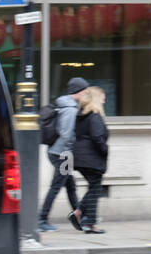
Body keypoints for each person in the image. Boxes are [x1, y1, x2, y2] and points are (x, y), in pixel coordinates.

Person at [39, 76, 88, 231]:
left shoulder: (64, 104)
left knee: (70, 185)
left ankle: (79, 215)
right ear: (78, 92)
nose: (86, 94)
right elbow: (66, 133)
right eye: (85, 91)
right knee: (56, 186)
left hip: (58, 152)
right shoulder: (70, 109)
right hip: (62, 154)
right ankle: (41, 220)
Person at [70, 86, 109, 234]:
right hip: (91, 157)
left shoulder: (81, 115)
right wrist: (104, 150)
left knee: (94, 187)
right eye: (103, 99)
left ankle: (79, 214)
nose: (104, 102)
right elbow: (97, 137)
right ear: (96, 99)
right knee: (96, 187)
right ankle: (88, 223)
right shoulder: (94, 116)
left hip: (81, 157)